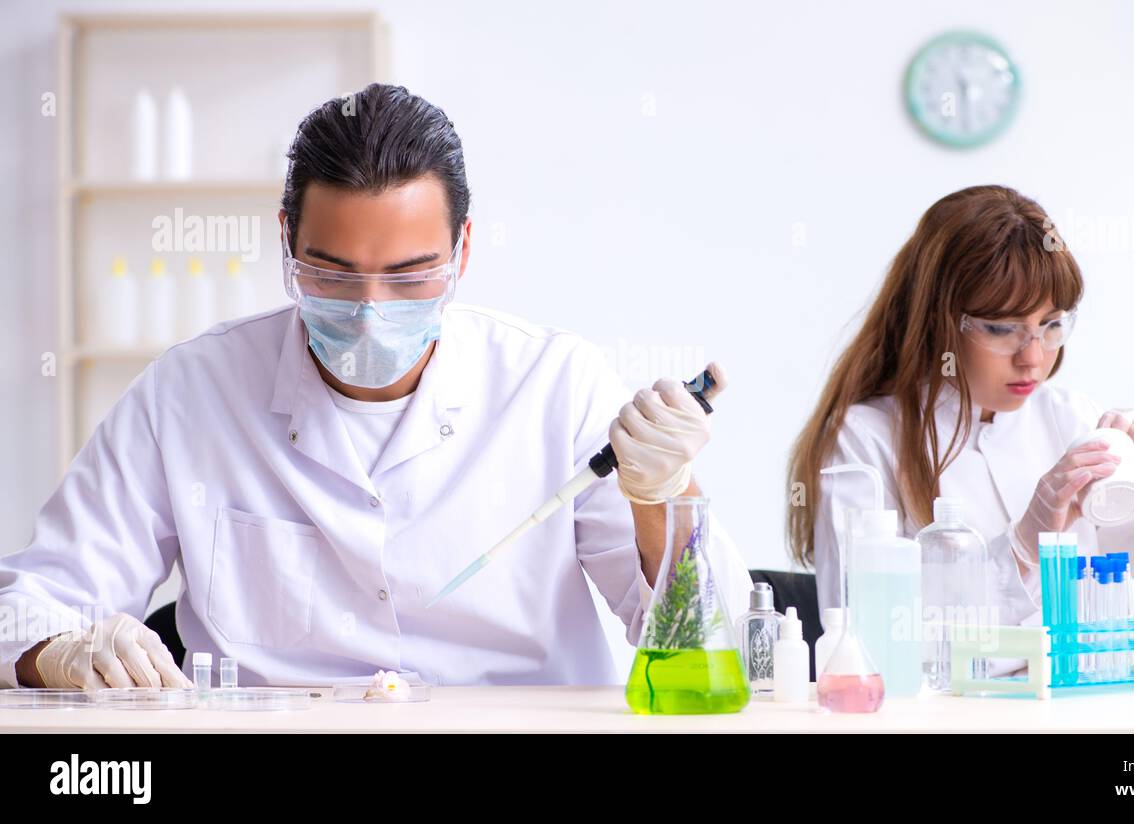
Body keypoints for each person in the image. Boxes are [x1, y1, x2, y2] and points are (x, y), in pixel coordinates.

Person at [0, 83, 751, 690]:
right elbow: (24, 608)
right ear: (286, 241)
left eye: (408, 274)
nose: (368, 313)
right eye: (331, 273)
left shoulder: (554, 387)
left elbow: (716, 649)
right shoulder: (191, 394)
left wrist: (664, 502)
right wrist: (55, 652)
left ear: (462, 251)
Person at [787, 185, 1134, 646]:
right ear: (938, 319)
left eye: (1051, 325)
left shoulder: (1072, 420)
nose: (1033, 357)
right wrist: (1021, 546)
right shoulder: (865, 439)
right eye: (1001, 329)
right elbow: (862, 638)